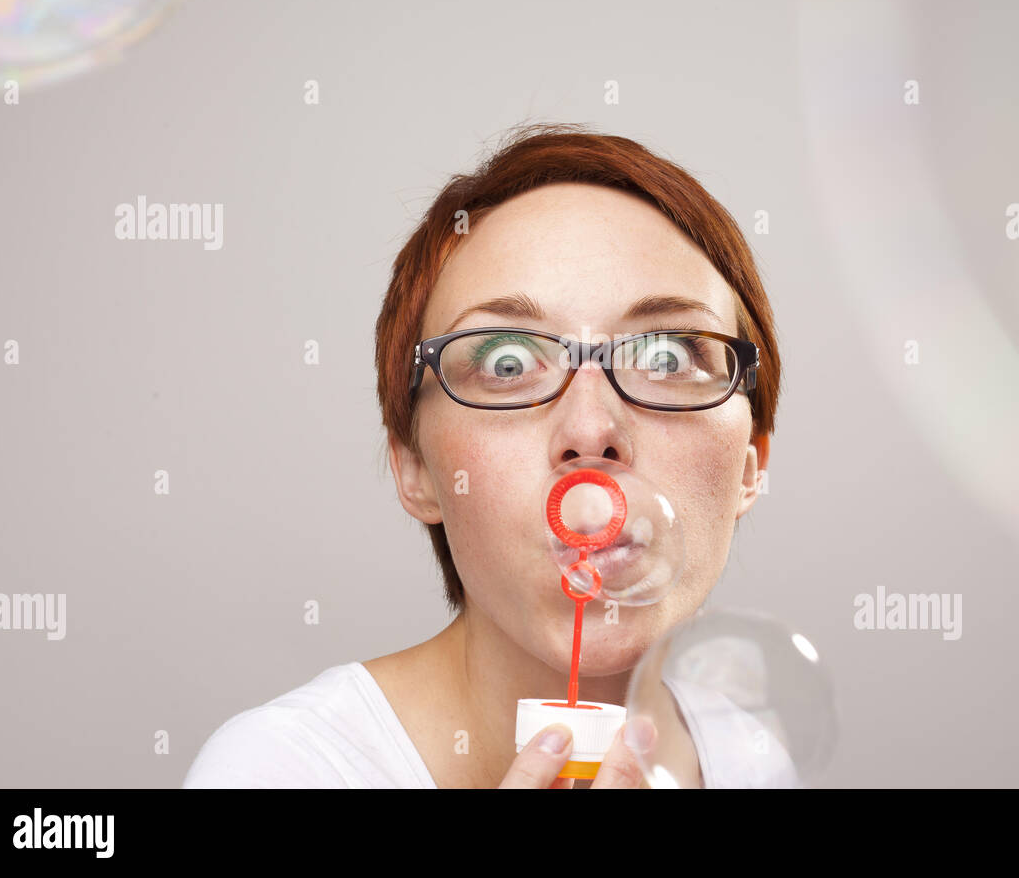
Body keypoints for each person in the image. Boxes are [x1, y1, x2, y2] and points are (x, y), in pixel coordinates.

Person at [182, 122, 782, 788]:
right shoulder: (280, 770)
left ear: (751, 463)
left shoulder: (749, 756)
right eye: (506, 361)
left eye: (667, 355)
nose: (590, 428)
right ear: (415, 467)